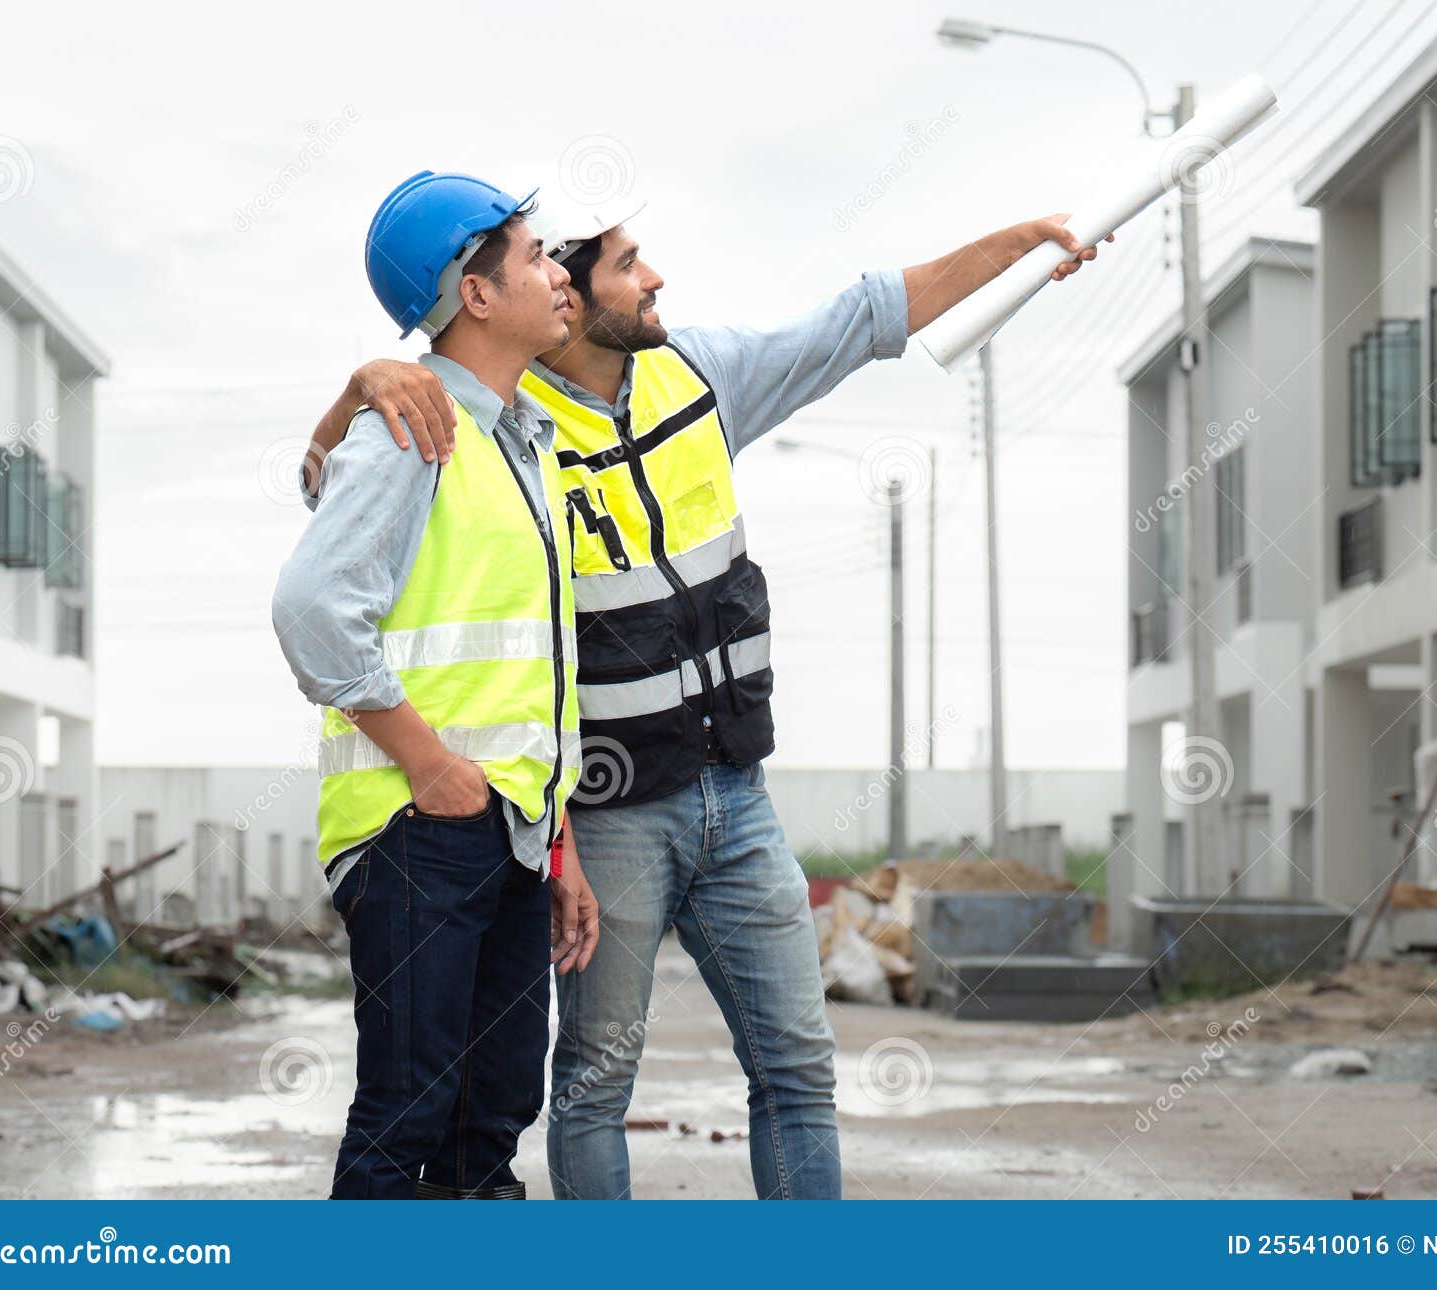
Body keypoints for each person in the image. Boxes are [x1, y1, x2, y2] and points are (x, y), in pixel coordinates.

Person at [301, 194, 1110, 1198]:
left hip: (696, 798)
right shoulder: (501, 423)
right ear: (533, 290)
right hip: (574, 812)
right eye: (622, 264)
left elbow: (861, 319)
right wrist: (361, 389)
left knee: (761, 1071)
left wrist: (1018, 243)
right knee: (540, 1089)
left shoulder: (676, 384)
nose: (653, 280)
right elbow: (332, 537)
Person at [272, 170, 598, 1200]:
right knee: (405, 1116)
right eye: (537, 256)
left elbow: (529, 681)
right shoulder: (413, 427)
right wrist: (432, 768)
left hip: (506, 833)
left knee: (491, 1118)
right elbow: (313, 609)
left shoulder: (520, 443)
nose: (561, 274)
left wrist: (559, 844)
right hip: (420, 825)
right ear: (478, 295)